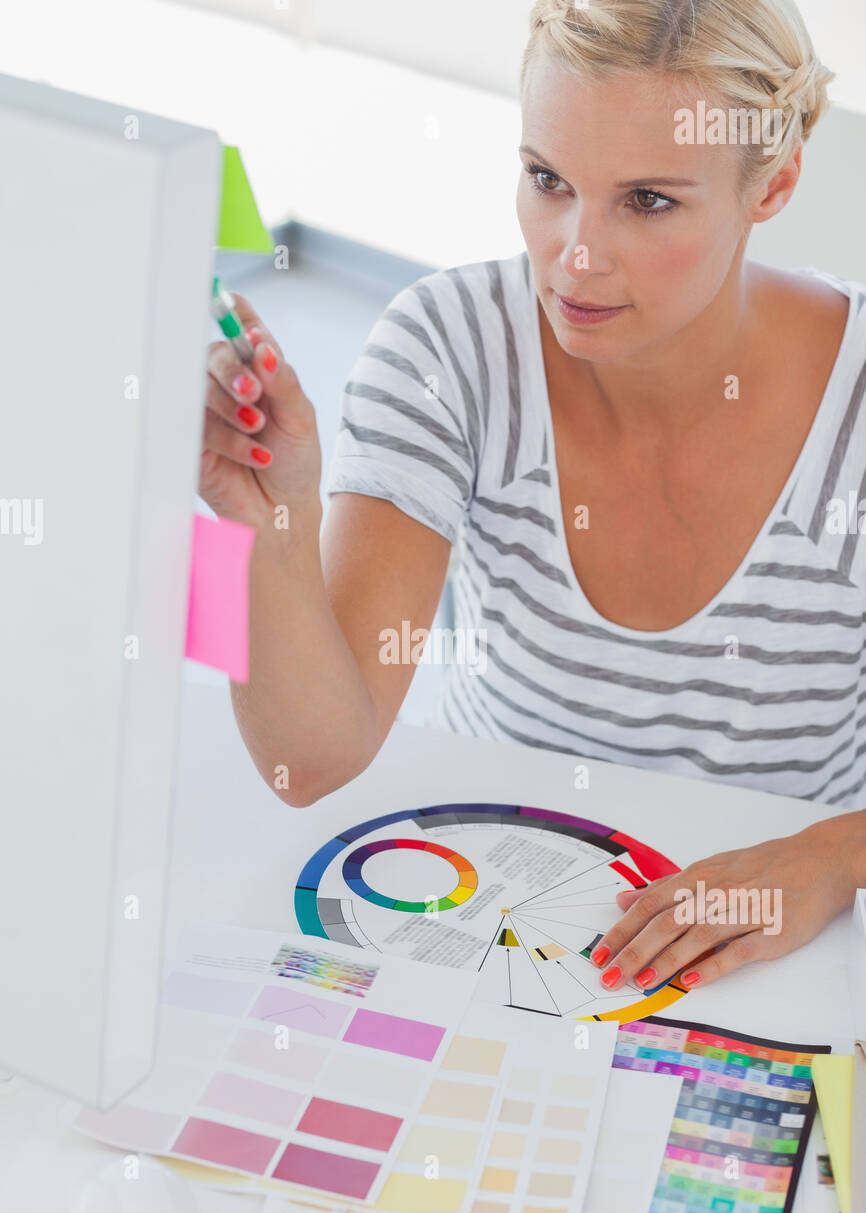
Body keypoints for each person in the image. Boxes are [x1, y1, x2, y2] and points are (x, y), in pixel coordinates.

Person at [198, 0, 866, 995]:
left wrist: (831, 858)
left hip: (764, 948)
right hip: (480, 897)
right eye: (547, 180)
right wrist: (269, 527)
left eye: (646, 201)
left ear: (770, 186)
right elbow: (309, 762)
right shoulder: (446, 348)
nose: (576, 253)